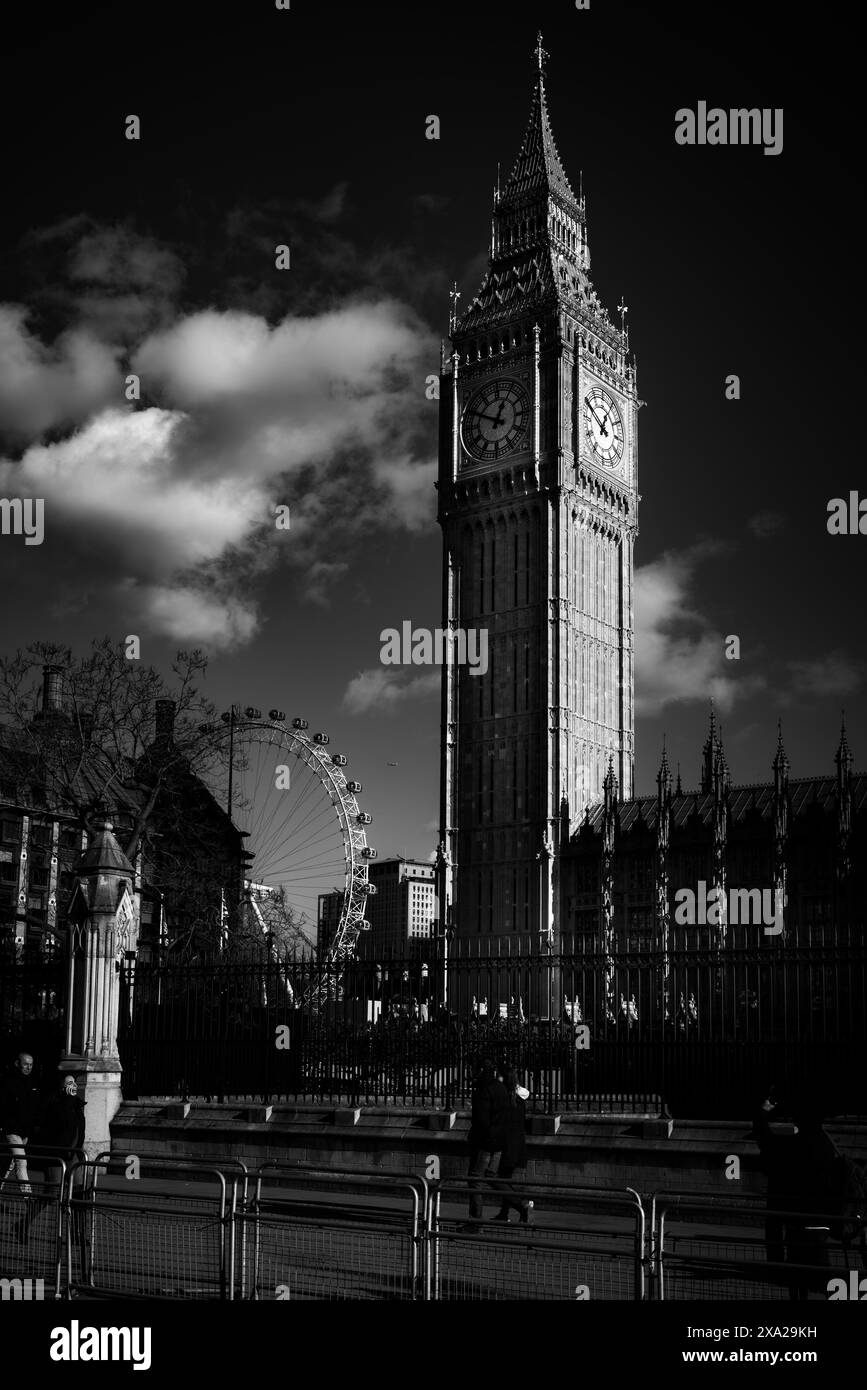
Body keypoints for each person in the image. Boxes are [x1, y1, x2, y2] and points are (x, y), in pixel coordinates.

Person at [752, 1090, 838, 1299]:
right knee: (821, 1276)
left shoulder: (793, 1146)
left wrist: (762, 1113)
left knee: (797, 1278)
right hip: (820, 1221)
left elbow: (765, 1138)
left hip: (797, 1223)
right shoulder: (826, 1147)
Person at [15, 1074, 85, 1245]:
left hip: (73, 1154)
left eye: (74, 1082)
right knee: (51, 1194)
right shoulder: (54, 1104)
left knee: (78, 1195)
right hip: (56, 1156)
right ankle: (22, 1225)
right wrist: (68, 1102)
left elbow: (78, 1129)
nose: (73, 1085)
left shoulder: (77, 1104)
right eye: (69, 1082)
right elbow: (58, 1126)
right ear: (62, 1086)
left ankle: (77, 1234)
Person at [463, 1058, 509, 1225]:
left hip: (484, 1143)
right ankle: (522, 1204)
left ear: (481, 1070)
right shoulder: (501, 1088)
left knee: (475, 1180)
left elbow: (481, 1121)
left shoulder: (483, 1090)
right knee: (491, 1176)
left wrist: (477, 1139)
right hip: (499, 1141)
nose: (470, 1073)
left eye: (473, 1069)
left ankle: (475, 1222)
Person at [493, 1067, 533, 1225]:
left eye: (500, 1077)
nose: (498, 1080)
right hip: (517, 1144)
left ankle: (522, 1205)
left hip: (507, 1145)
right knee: (505, 1179)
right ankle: (505, 1212)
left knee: (498, 1179)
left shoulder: (508, 1100)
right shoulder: (519, 1099)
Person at [0, 1052, 40, 1195]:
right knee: (21, 1162)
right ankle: (29, 1199)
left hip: (25, 1131)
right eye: (25, 1064)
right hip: (12, 1129)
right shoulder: (8, 1082)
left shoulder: (32, 1082)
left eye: (31, 1065)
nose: (28, 1067)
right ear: (18, 1063)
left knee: (9, 1164)